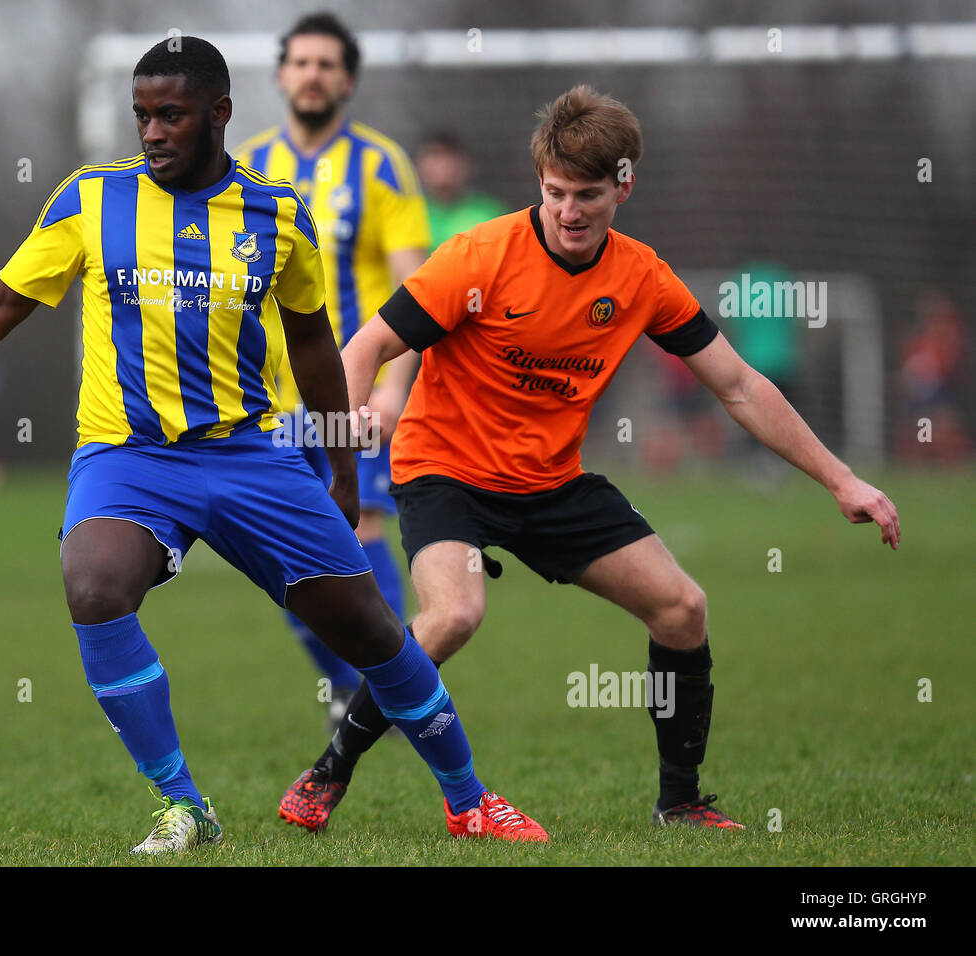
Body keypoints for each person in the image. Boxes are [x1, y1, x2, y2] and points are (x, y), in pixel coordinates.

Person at [0, 36, 547, 853]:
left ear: (220, 114)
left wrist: (341, 467)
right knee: (94, 589)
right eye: (142, 116)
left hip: (252, 455)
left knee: (373, 632)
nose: (152, 131)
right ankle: (184, 805)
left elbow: (313, 344)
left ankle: (469, 797)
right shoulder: (91, 200)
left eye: (170, 114)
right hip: (127, 457)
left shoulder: (275, 215)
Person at [278, 84, 901, 835]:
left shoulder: (641, 278)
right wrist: (343, 456)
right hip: (446, 470)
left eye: (588, 195)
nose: (569, 211)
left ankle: (681, 802)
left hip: (550, 482)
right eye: (555, 193)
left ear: (624, 185)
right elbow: (368, 344)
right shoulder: (480, 255)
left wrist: (843, 479)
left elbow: (737, 386)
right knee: (454, 615)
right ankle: (328, 772)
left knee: (682, 608)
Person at [235, 13, 428, 719]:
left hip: (353, 397)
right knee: (282, 557)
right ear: (283, 73)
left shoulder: (380, 165)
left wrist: (395, 387)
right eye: (301, 62)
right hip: (263, 402)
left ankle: (398, 687)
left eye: (327, 64)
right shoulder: (246, 165)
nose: (313, 74)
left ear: (347, 79)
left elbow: (418, 292)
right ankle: (355, 689)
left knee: (361, 527)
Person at [415, 131, 508, 248]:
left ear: (467, 165)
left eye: (449, 157)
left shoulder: (490, 213)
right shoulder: (412, 212)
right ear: (419, 166)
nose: (442, 165)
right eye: (435, 156)